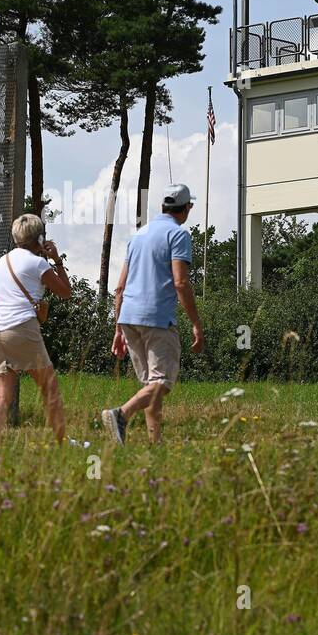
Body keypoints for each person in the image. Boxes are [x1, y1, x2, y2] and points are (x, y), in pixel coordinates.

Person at [101, 184, 204, 444]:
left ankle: (155, 442)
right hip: (156, 318)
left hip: (128, 317)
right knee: (163, 382)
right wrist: (196, 323)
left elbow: (120, 287)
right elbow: (181, 283)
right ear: (186, 209)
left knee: (151, 385)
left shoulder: (139, 235)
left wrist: (117, 330)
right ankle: (120, 414)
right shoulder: (178, 235)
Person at [0, 213, 71, 447]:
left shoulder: (2, 262)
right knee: (49, 386)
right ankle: (62, 442)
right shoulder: (38, 263)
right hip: (22, 327)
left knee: (2, 395)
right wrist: (57, 261)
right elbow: (65, 292)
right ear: (40, 239)